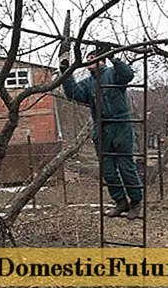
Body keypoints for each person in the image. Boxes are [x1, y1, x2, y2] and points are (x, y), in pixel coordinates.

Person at [61, 48, 143, 220]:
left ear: (102, 60)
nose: (90, 60)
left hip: (120, 125)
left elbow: (127, 75)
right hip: (102, 126)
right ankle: (120, 202)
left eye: (94, 57)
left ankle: (135, 202)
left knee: (126, 166)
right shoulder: (88, 83)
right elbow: (73, 93)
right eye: (88, 58)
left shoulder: (113, 74)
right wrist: (66, 72)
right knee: (108, 169)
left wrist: (114, 58)